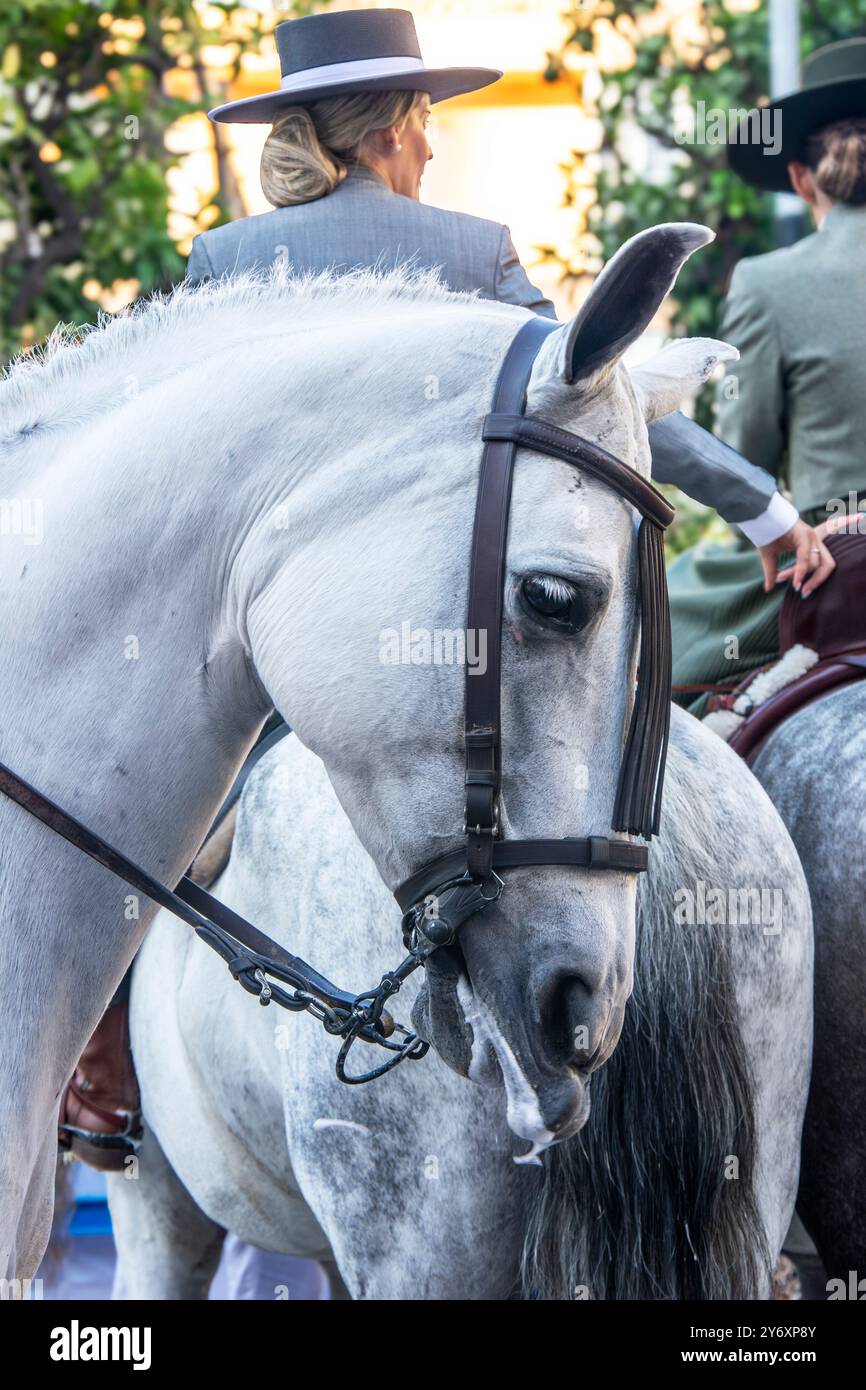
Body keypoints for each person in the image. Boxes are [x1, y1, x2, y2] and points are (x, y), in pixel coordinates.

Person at [60, 6, 830, 1169]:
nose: (433, 146)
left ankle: (101, 1081)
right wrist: (760, 504)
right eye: (426, 122)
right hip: (444, 659)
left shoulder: (223, 263)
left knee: (134, 839)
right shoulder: (471, 252)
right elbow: (591, 404)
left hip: (275, 674)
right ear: (395, 129)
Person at [670, 37, 866, 715]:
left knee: (663, 606)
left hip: (835, 558)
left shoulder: (768, 282)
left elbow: (743, 455)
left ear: (802, 179)